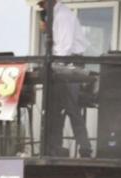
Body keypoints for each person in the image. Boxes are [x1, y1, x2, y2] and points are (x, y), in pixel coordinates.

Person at [29, 0, 93, 158]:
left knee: (71, 107)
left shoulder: (63, 16)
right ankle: (54, 148)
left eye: (42, 5)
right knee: (54, 108)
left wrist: (52, 66)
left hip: (70, 64)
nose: (41, 8)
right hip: (60, 65)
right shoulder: (56, 17)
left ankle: (85, 149)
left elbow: (64, 49)